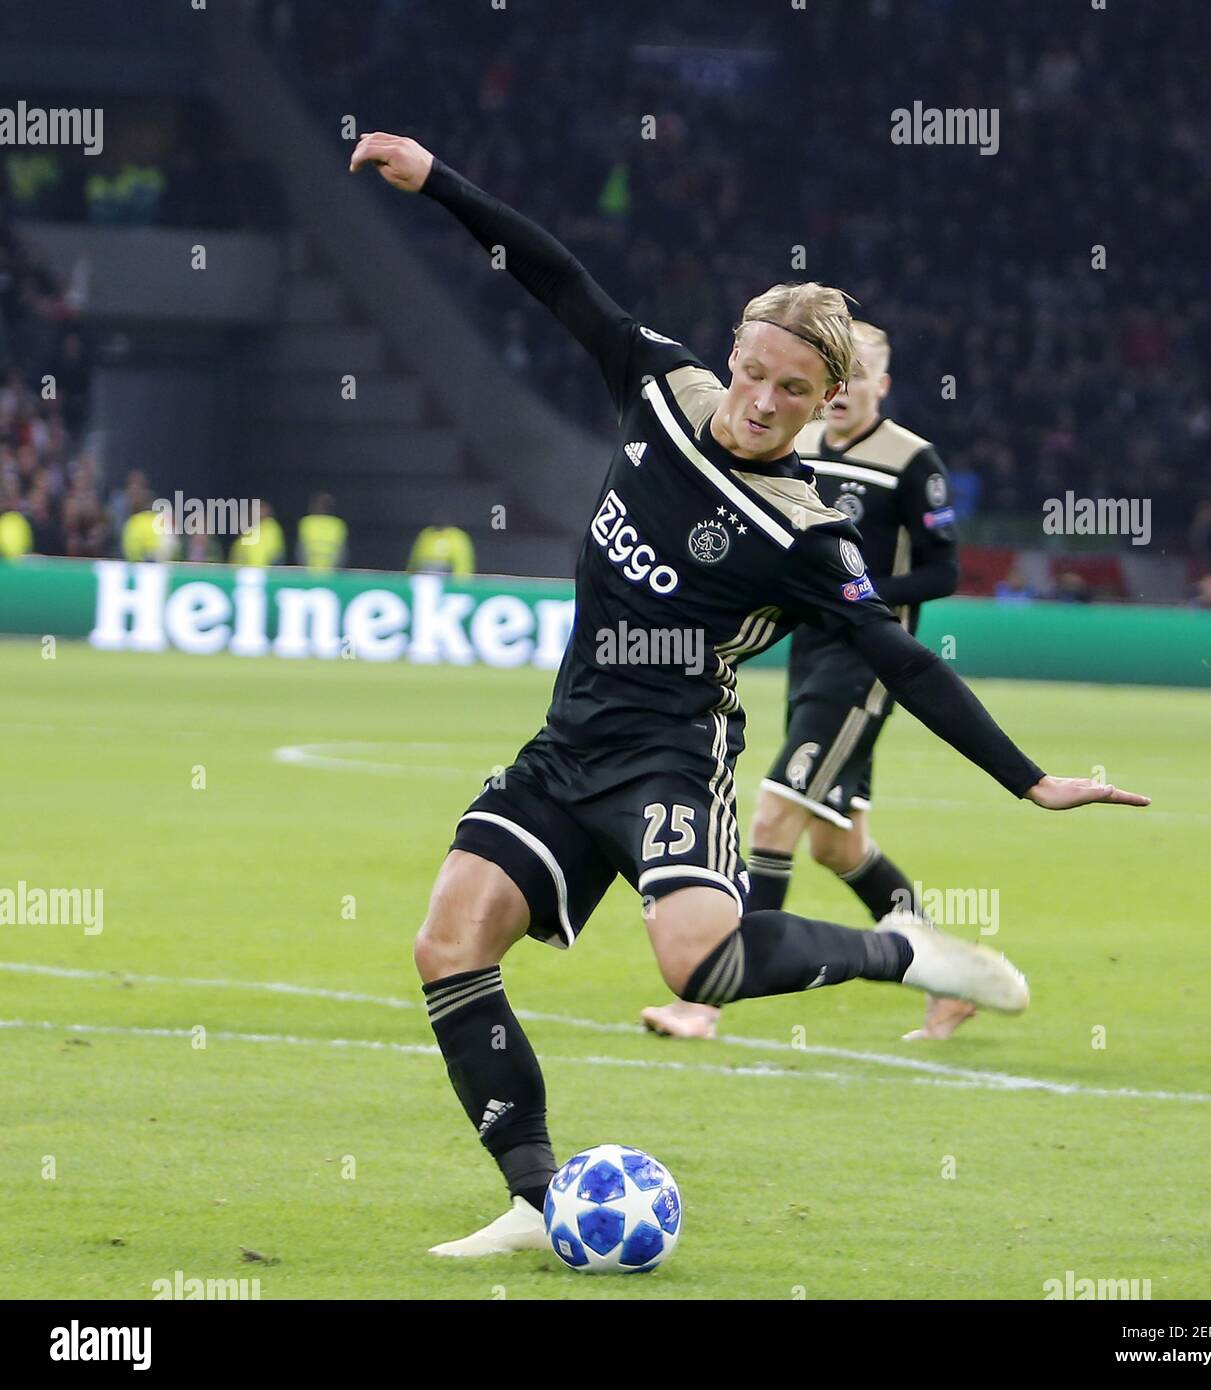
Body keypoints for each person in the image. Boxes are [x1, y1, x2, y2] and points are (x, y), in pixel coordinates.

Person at [350, 131, 1149, 1258]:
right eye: (755, 372)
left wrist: (1029, 780)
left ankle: (908, 952)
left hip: (671, 758)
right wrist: (438, 184)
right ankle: (534, 1197)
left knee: (698, 962)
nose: (763, 401)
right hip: (566, 742)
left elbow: (901, 657)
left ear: (828, 403)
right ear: (730, 353)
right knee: (447, 941)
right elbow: (555, 275)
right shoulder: (662, 388)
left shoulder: (807, 534)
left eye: (795, 391)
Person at [641, 321, 972, 1043]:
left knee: (772, 819)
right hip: (808, 660)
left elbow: (947, 570)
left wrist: (854, 592)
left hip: (864, 665)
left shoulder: (913, 460)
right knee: (839, 846)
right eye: (838, 379)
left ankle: (708, 1000)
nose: (848, 391)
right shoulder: (801, 451)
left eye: (861, 378)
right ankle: (951, 978)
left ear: (880, 384)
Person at [296, 492, 348, 570]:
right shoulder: (306, 522)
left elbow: (341, 551)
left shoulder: (338, 524)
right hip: (310, 572)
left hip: (329, 573)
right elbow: (301, 549)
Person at [408, 517, 475, 575]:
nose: (440, 519)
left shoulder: (457, 537)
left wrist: (460, 584)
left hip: (449, 582)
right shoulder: (426, 534)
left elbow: (462, 564)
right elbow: (414, 561)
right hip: (424, 580)